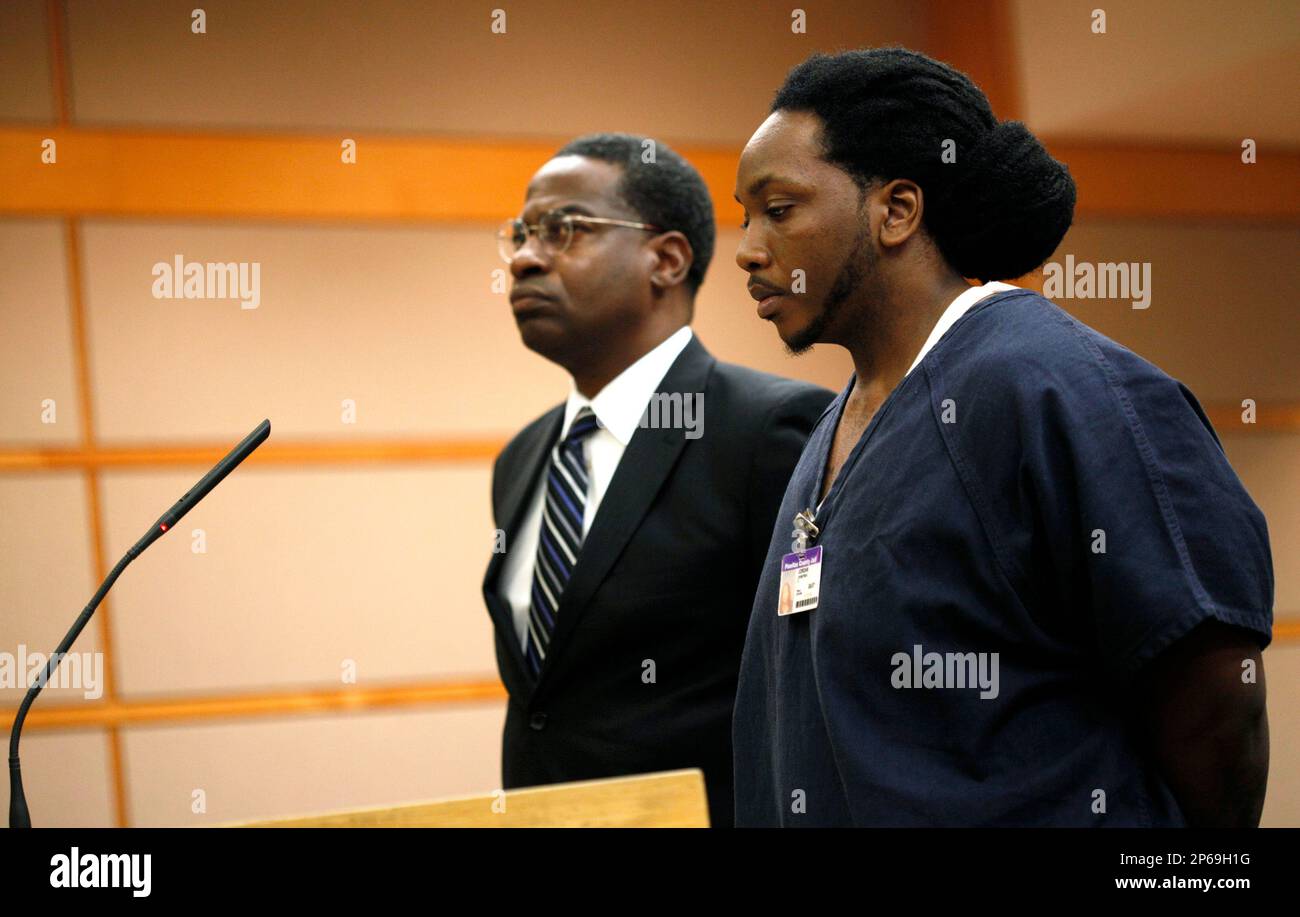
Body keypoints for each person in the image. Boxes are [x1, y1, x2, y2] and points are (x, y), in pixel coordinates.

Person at [731, 48, 1273, 827]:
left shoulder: (1056, 388)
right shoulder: (834, 427)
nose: (748, 247)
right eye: (746, 215)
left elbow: (1216, 707)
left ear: (896, 211)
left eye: (778, 209)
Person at [482, 132, 834, 826]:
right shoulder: (521, 458)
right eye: (521, 235)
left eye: (563, 230)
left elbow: (812, 686)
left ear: (666, 259)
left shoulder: (770, 431)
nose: (523, 258)